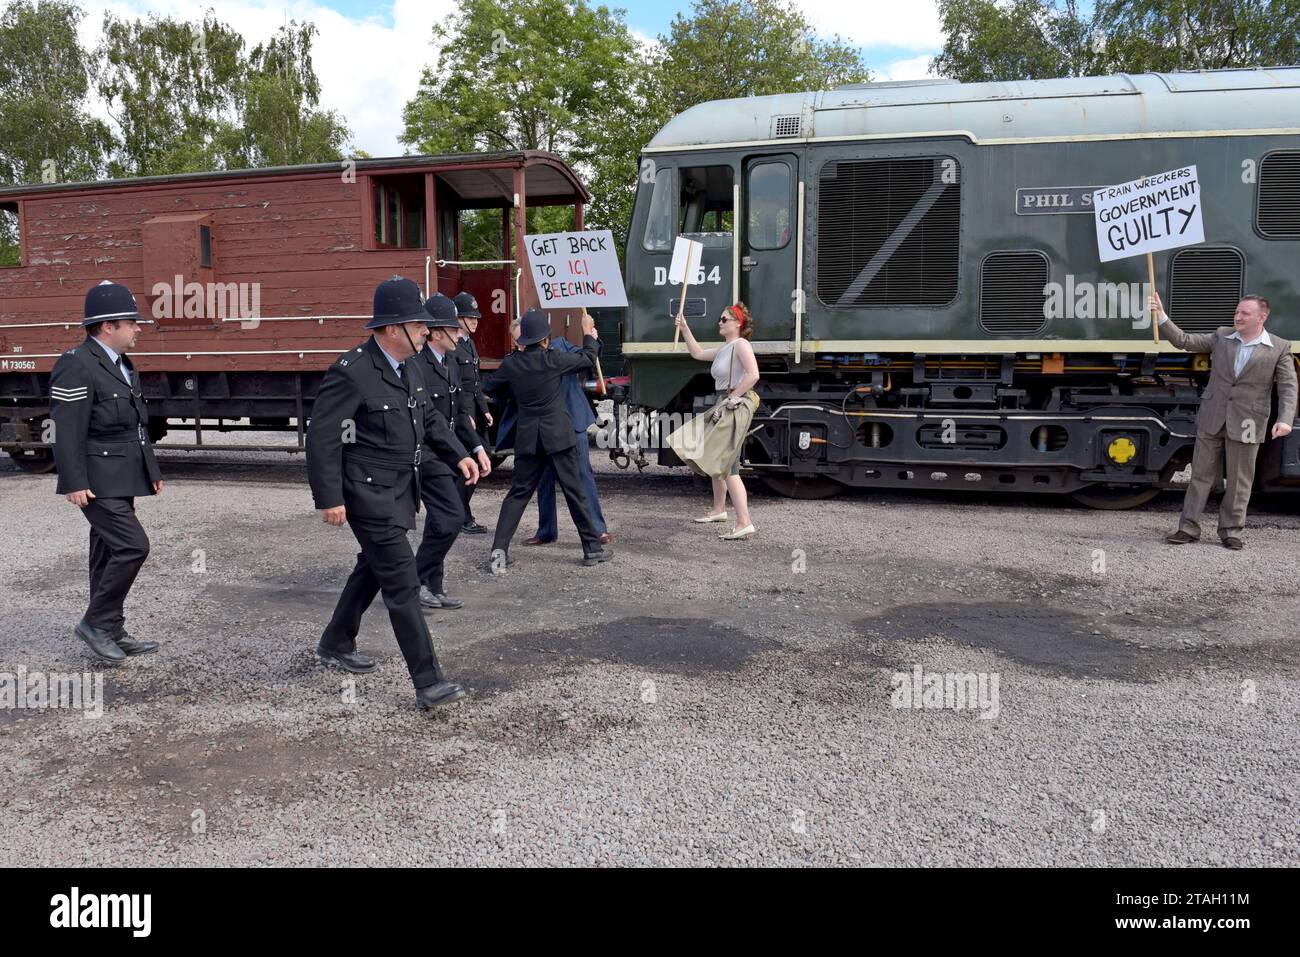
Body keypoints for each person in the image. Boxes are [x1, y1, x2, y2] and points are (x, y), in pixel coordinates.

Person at [307, 277, 479, 711]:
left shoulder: (414, 366)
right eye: (417, 324)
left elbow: (432, 420)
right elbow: (322, 439)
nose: (426, 330)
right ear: (390, 329)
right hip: (367, 494)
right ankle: (429, 682)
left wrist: (459, 455)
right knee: (402, 583)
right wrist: (329, 498)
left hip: (403, 489)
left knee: (372, 566)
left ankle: (335, 641)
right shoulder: (353, 372)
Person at [49, 280, 164, 664]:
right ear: (106, 327)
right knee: (134, 546)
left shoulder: (121, 364)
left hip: (122, 475)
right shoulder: (76, 364)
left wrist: (151, 470)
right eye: (131, 322)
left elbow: (135, 424)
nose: (137, 328)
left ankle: (112, 627)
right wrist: (74, 481)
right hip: (96, 478)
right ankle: (95, 623)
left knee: (106, 550)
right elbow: (67, 429)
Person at [1151, 290, 1297, 549]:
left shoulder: (1279, 347)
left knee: (1241, 479)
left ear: (1262, 317)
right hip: (1213, 415)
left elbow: (1288, 386)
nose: (1238, 317)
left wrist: (1285, 419)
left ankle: (1230, 530)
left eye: (1245, 313)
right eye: (1237, 312)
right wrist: (1161, 316)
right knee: (1200, 475)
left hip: (1249, 421)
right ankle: (1188, 527)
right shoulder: (1222, 336)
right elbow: (1184, 341)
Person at [482, 308, 613, 571]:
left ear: (522, 341)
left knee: (518, 494)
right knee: (574, 491)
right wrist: (588, 333)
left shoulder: (511, 364)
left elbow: (488, 387)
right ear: (545, 339)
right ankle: (591, 549)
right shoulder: (552, 359)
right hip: (558, 437)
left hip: (529, 439)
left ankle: (499, 550)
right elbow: (588, 358)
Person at [413, 292, 492, 610]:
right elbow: (427, 421)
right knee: (450, 517)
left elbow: (460, 412)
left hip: (448, 449)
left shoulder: (451, 362)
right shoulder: (417, 365)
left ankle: (433, 586)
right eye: (453, 329)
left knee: (442, 520)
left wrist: (475, 447)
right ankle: (414, 582)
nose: (460, 334)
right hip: (427, 453)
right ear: (435, 333)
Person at [673, 302, 761, 540]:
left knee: (727, 464)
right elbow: (698, 353)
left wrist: (734, 397)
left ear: (737, 323)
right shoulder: (726, 348)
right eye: (720, 319)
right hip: (727, 400)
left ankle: (744, 522)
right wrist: (685, 329)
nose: (719, 323)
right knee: (715, 456)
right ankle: (718, 510)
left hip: (735, 402)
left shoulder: (741, 345)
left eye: (724, 319)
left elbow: (754, 374)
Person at [524, 328, 611, 547]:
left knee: (582, 475)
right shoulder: (523, 359)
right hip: (546, 427)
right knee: (544, 480)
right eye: (520, 343)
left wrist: (590, 335)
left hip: (572, 421)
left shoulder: (561, 346)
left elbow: (587, 357)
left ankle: (597, 530)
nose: (523, 346)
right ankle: (546, 531)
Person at [452, 292, 492, 535]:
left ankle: (459, 513)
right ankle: (461, 516)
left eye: (476, 317)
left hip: (475, 412)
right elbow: (455, 386)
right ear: (458, 318)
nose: (475, 321)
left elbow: (475, 383)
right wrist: (464, 414)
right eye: (469, 317)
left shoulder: (468, 343)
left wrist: (485, 410)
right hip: (463, 414)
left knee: (483, 456)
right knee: (468, 465)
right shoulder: (453, 347)